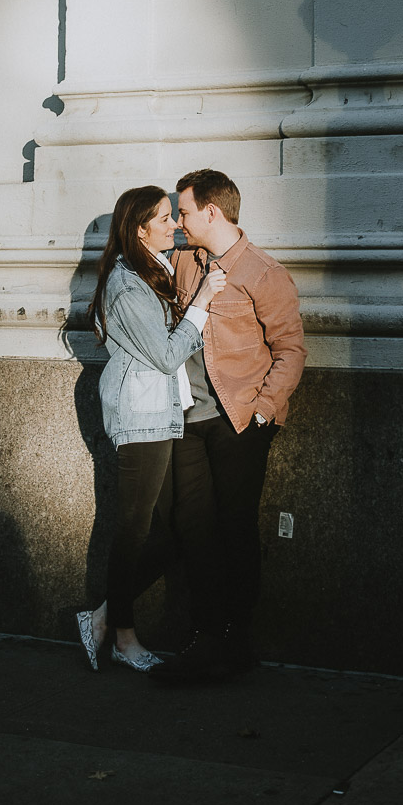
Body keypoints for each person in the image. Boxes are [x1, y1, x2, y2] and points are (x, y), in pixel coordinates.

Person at [148, 168, 306, 682]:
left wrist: (262, 411)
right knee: (192, 526)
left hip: (239, 421)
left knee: (236, 527)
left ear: (212, 211)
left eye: (184, 211)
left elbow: (290, 350)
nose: (178, 222)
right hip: (187, 417)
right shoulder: (183, 262)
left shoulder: (263, 272)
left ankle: (237, 639)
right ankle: (205, 636)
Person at [76, 185, 226, 673]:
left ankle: (102, 617)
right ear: (140, 230)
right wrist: (203, 301)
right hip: (141, 415)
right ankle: (123, 637)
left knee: (168, 531)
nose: (175, 225)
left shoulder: (152, 270)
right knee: (134, 530)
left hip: (161, 412)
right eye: (165, 218)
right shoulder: (126, 284)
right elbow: (164, 355)